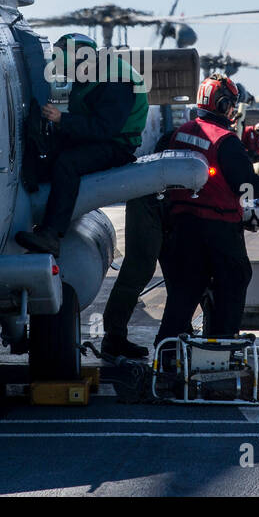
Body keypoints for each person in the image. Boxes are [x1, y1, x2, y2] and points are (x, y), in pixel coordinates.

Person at [154, 74, 259, 349]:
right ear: (224, 105)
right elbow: (247, 186)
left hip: (181, 227)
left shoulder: (179, 133)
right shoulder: (226, 141)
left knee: (183, 293)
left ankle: (165, 354)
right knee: (234, 282)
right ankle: (224, 350)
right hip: (219, 229)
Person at [17, 33, 148, 255]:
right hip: (99, 138)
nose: (67, 74)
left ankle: (51, 235)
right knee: (49, 148)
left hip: (117, 146)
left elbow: (105, 128)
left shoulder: (115, 80)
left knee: (69, 163)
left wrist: (62, 120)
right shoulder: (92, 74)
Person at [101, 127, 175, 359]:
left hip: (163, 198)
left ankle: (176, 333)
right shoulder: (190, 137)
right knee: (139, 269)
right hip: (152, 199)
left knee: (181, 274)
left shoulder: (180, 135)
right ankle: (114, 336)